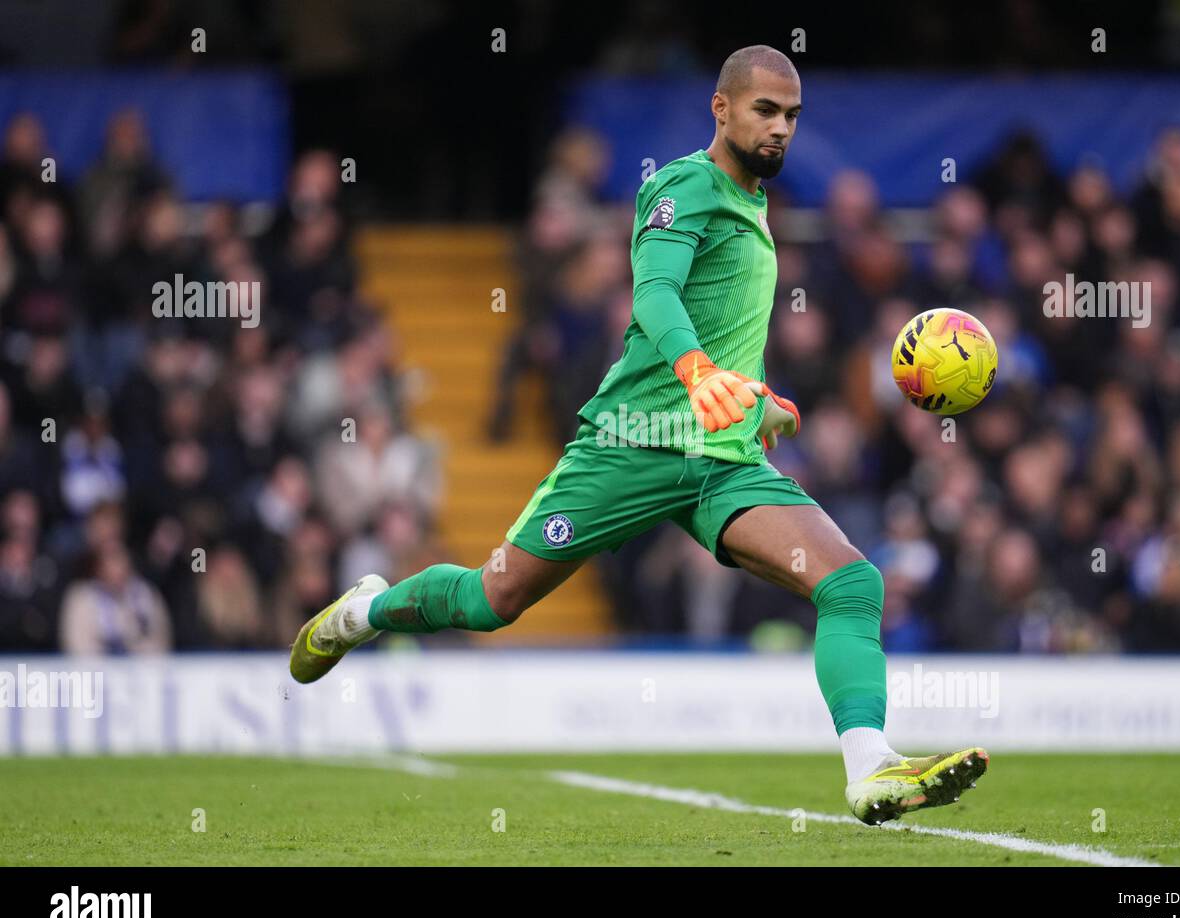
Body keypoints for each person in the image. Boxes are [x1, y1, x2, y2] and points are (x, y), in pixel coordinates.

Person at [287, 45, 987, 826]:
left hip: (721, 461)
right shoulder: (683, 186)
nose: (781, 129)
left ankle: (870, 769)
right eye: (765, 111)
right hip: (630, 443)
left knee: (853, 583)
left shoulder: (757, 207)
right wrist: (695, 372)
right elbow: (653, 294)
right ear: (721, 109)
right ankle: (366, 613)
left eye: (792, 116)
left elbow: (725, 331)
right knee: (495, 599)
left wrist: (756, 402)